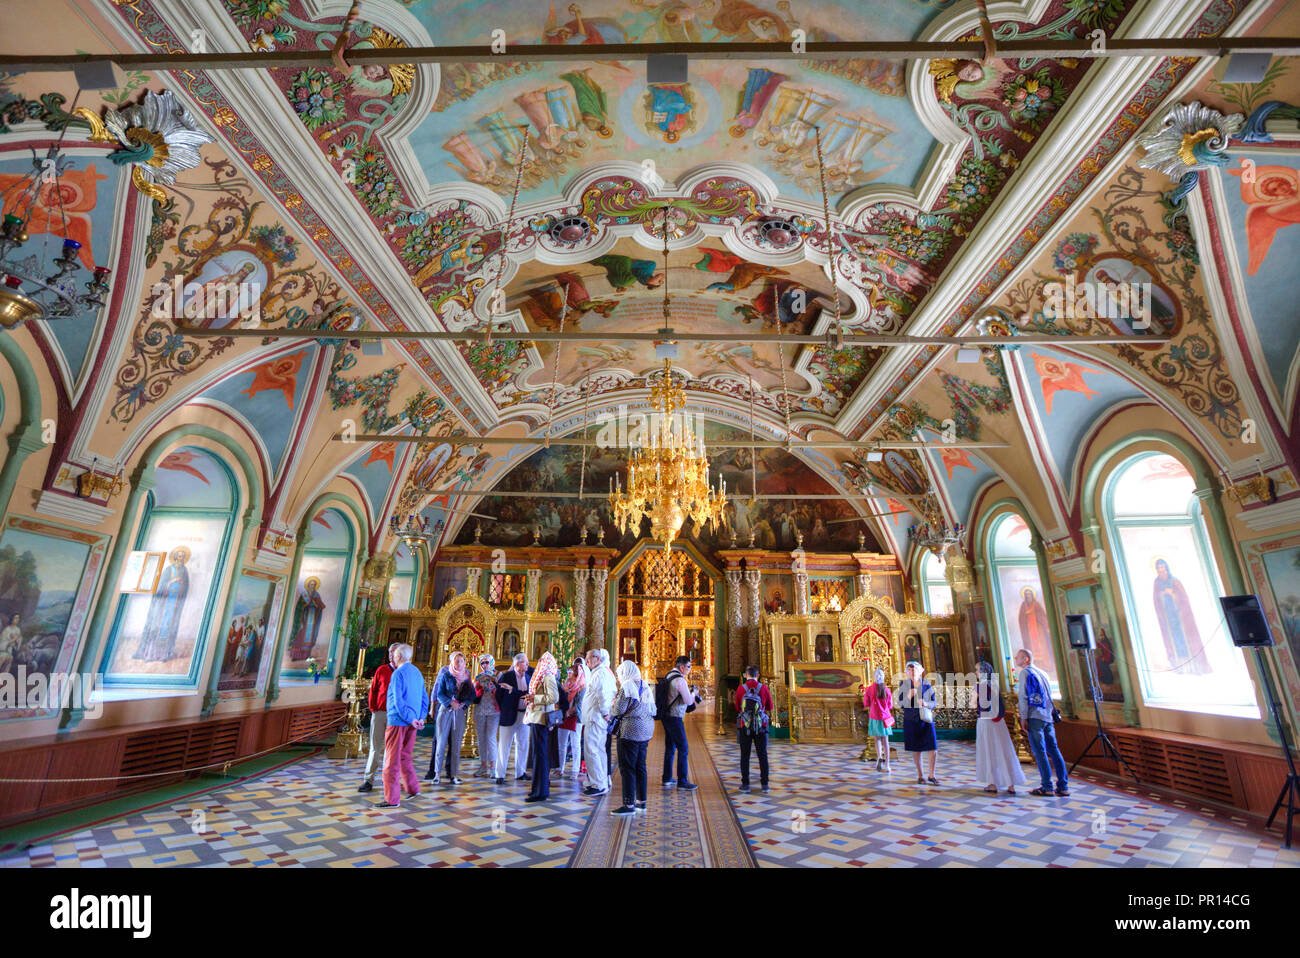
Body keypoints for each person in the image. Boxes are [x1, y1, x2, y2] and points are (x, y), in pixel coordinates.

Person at [376, 643, 428, 809]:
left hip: (398, 721)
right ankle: (413, 789)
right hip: (412, 723)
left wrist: (409, 718)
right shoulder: (417, 672)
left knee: (391, 760)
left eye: (395, 655)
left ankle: (392, 799)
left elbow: (398, 700)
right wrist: (419, 718)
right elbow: (424, 699)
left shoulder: (398, 673)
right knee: (405, 756)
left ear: (399, 657)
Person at [1015, 648, 1069, 796]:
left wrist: (1023, 717)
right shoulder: (1043, 672)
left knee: (1040, 752)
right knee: (1054, 750)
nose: (1015, 659)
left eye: (1018, 657)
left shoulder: (1025, 673)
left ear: (1026, 659)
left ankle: (1047, 786)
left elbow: (1024, 697)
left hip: (1035, 716)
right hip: (1047, 716)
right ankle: (1063, 786)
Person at [611, 659, 656, 815]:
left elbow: (618, 710)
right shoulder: (645, 684)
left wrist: (612, 704)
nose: (619, 677)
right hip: (646, 730)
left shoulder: (627, 686)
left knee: (627, 767)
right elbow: (651, 708)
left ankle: (629, 805)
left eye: (620, 673)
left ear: (625, 673)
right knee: (640, 766)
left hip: (630, 731)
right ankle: (641, 801)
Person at [975, 660, 1026, 795]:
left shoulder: (981, 686)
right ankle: (1011, 784)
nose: (976, 673)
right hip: (999, 722)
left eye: (978, 671)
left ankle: (992, 783)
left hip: (986, 722)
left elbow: (976, 704)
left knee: (989, 750)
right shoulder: (995, 684)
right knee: (1004, 749)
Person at [427, 651, 474, 784]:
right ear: (452, 662)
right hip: (445, 710)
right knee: (441, 743)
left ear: (465, 662)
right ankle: (437, 774)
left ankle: (454, 774)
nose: (459, 663)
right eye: (456, 661)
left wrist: (463, 705)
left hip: (459, 712)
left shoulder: (467, 676)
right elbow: (439, 693)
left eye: (462, 661)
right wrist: (449, 703)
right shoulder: (445, 675)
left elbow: (472, 695)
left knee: (456, 744)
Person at [357, 645, 395, 793]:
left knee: (391, 750)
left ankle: (389, 780)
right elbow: (373, 690)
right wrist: (374, 709)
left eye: (395, 653)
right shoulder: (382, 670)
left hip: (395, 716)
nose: (392, 655)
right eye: (390, 652)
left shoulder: (403, 672)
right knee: (375, 747)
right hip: (380, 712)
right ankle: (368, 779)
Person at [524, 652, 560, 803]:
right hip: (536, 718)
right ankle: (537, 790)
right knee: (537, 756)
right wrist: (531, 698)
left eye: (542, 661)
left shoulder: (548, 677)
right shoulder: (541, 676)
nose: (539, 663)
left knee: (540, 756)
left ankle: (540, 791)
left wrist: (535, 698)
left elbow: (554, 697)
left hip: (541, 719)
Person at [659, 655, 700, 791]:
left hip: (666, 715)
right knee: (683, 748)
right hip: (675, 717)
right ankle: (682, 780)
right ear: (682, 667)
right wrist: (694, 693)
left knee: (670, 747)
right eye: (689, 666)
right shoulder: (680, 681)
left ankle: (667, 777)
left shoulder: (669, 675)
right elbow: (688, 701)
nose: (690, 669)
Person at [581, 648, 616, 795]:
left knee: (592, 750)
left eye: (589, 658)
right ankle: (600, 782)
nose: (587, 661)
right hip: (595, 717)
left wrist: (605, 713)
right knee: (599, 750)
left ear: (597, 658)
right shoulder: (599, 673)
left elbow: (604, 695)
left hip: (595, 718)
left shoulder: (600, 674)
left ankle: (598, 784)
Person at [494, 653, 533, 784]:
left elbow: (528, 695)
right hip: (509, 715)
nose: (528, 665)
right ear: (517, 664)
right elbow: (498, 696)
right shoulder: (506, 677)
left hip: (525, 715)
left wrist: (514, 691)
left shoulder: (528, 677)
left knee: (523, 744)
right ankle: (500, 775)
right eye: (525, 663)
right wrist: (505, 708)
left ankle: (520, 772)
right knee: (504, 745)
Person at [733, 665, 772, 794]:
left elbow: (738, 707)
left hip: (745, 725)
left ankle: (745, 784)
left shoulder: (740, 688)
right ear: (758, 675)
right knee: (763, 755)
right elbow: (770, 707)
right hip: (761, 726)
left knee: (745, 755)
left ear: (746, 675)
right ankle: (765, 784)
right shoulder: (764, 688)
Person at [899, 660, 939, 786]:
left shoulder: (926, 684)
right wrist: (909, 696)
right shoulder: (904, 685)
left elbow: (934, 702)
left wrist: (927, 704)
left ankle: (932, 775)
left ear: (920, 671)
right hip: (911, 720)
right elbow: (900, 704)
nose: (912, 672)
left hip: (926, 720)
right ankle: (920, 775)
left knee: (932, 748)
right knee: (916, 749)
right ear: (907, 672)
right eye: (909, 670)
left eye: (914, 669)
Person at [472, 653, 501, 778]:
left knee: (491, 737)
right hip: (480, 709)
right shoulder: (479, 676)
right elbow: (474, 693)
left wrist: (495, 682)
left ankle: (494, 766)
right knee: (481, 738)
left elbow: (503, 691)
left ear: (492, 662)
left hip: (493, 710)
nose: (484, 665)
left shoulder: (498, 675)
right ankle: (483, 765)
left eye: (486, 662)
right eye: (482, 663)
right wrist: (476, 685)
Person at [862, 667, 894, 773]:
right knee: (886, 741)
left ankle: (879, 756)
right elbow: (890, 705)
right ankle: (887, 765)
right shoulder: (886, 690)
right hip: (885, 717)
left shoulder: (870, 689)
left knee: (877, 739)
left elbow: (866, 703)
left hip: (874, 717)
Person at [558, 663, 585, 780]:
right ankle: (560, 768)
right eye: (568, 672)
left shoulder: (581, 687)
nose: (568, 675)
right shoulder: (566, 685)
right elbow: (561, 699)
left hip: (575, 717)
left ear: (576, 674)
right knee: (562, 743)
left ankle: (575, 770)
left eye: (570, 672)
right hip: (564, 716)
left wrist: (569, 712)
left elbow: (579, 704)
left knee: (575, 743)